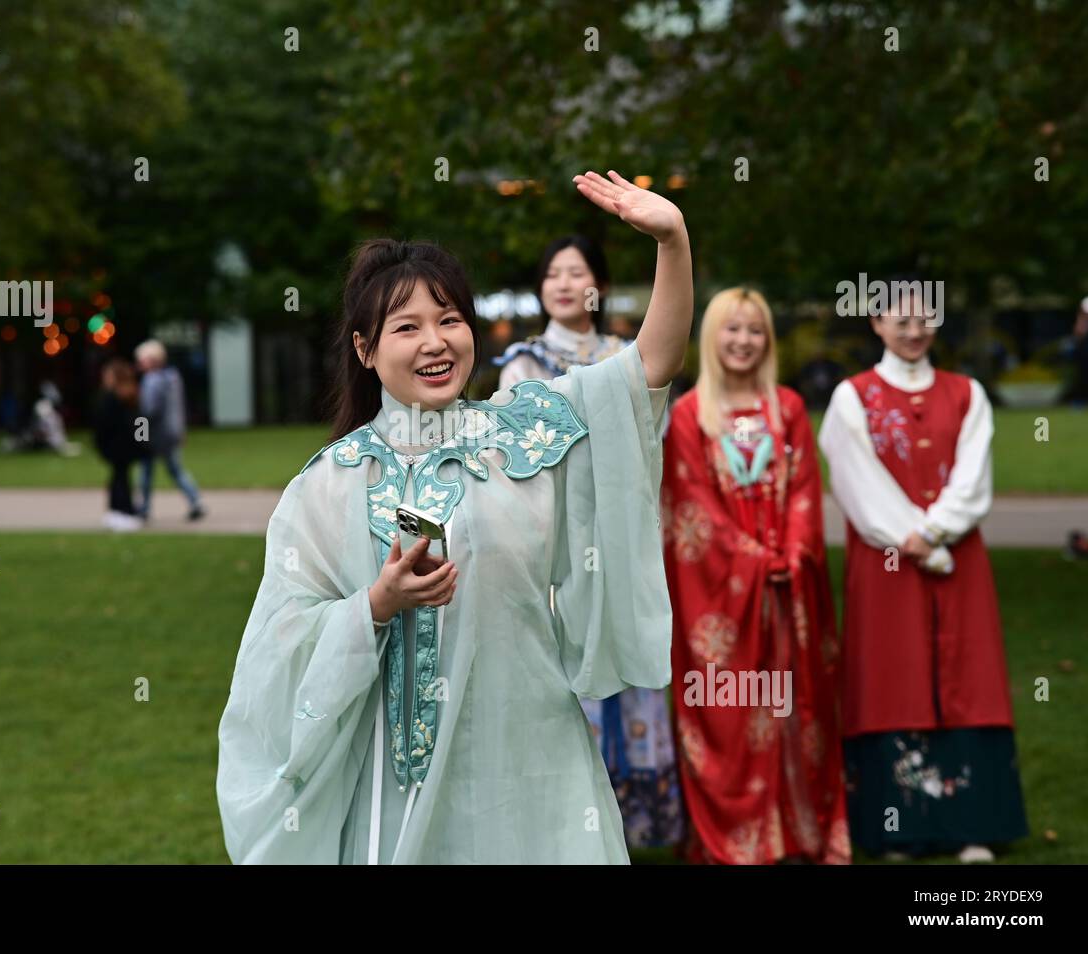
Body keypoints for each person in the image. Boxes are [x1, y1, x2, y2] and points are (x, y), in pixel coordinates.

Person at [216, 169, 692, 863]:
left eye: (450, 319)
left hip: (528, 756)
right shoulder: (331, 483)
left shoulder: (527, 431)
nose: (435, 342)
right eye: (407, 327)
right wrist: (373, 607)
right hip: (392, 780)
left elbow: (648, 368)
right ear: (365, 349)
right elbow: (276, 646)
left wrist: (672, 241)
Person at [818, 286, 1028, 863]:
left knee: (969, 677)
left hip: (957, 559)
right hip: (887, 563)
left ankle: (972, 828)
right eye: (900, 318)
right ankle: (897, 829)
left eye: (924, 318)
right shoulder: (852, 396)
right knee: (892, 676)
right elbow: (856, 481)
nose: (913, 329)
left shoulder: (968, 394)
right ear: (877, 324)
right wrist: (913, 539)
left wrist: (935, 535)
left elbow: (973, 476)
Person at [496, 234, 684, 850]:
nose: (562, 282)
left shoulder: (627, 354)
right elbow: (517, 443)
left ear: (598, 283)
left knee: (624, 645)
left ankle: (630, 824)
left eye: (575, 271)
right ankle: (565, 824)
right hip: (555, 527)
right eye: (551, 273)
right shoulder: (523, 361)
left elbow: (654, 429)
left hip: (621, 523)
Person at [662, 288, 849, 864]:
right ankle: (739, 839)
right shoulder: (691, 414)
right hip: (724, 595)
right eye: (731, 329)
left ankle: (797, 833)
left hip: (789, 586)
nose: (743, 341)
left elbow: (804, 492)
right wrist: (751, 558)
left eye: (755, 331)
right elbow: (691, 509)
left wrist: (791, 553)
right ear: (711, 337)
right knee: (732, 711)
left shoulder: (787, 407)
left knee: (795, 706)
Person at [494, 235, 628, 390]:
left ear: (602, 287)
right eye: (552, 275)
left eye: (576, 274)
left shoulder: (623, 357)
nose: (563, 286)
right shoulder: (525, 362)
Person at [135, 339, 204, 521]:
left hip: (153, 434)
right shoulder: (173, 378)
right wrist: (181, 430)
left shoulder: (151, 381)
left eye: (142, 359)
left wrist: (137, 428)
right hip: (172, 432)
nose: (140, 363)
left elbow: (148, 410)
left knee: (146, 472)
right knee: (176, 470)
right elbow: (178, 408)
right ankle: (195, 500)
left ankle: (144, 507)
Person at [94, 358, 148, 532]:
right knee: (122, 477)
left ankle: (120, 511)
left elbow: (103, 424)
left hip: (117, 445)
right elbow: (142, 420)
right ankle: (124, 510)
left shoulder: (111, 397)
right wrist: (143, 441)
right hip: (128, 445)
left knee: (119, 478)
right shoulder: (132, 394)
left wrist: (101, 443)